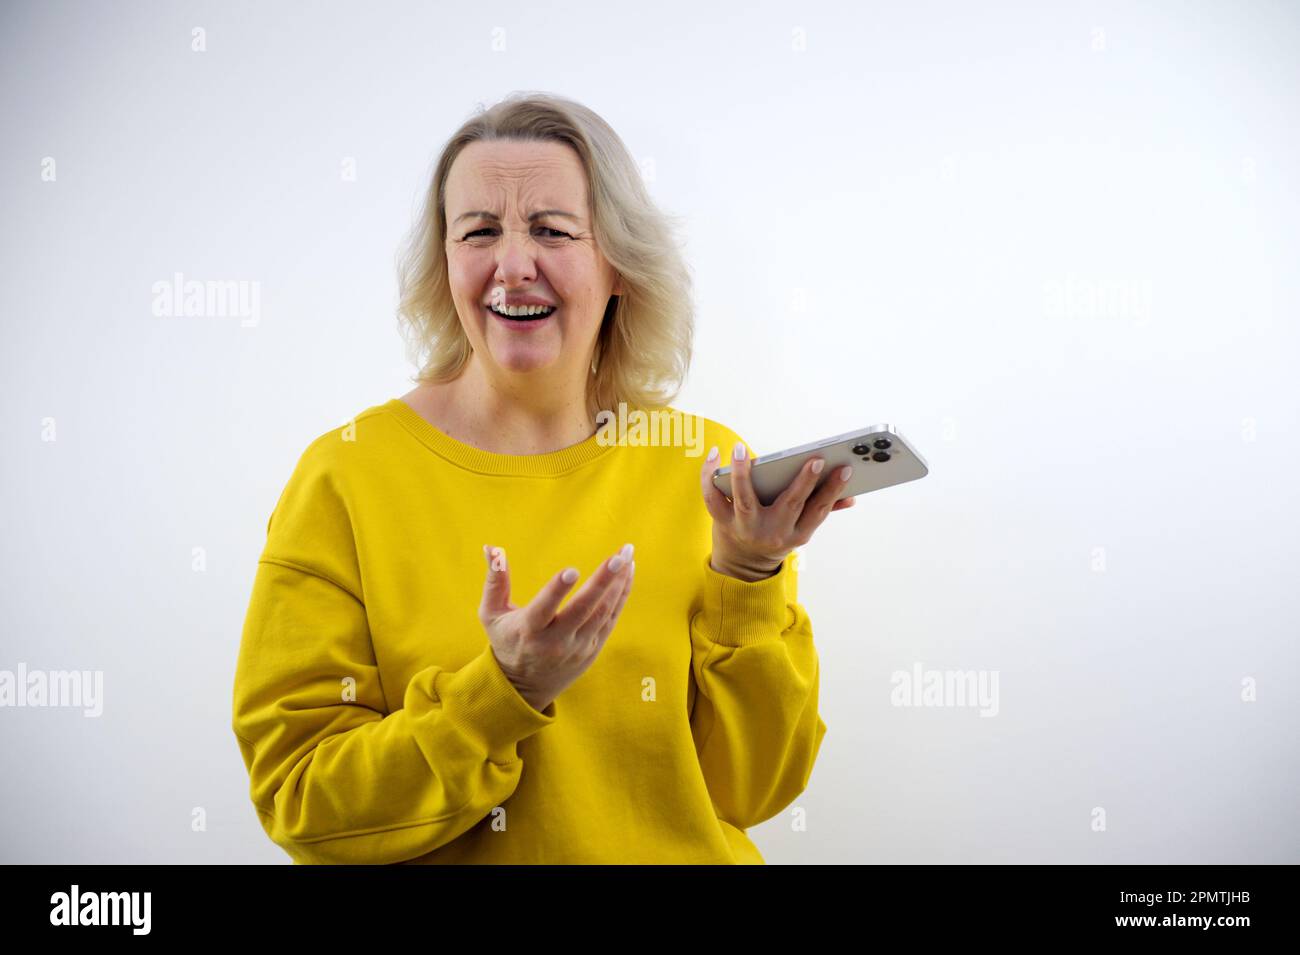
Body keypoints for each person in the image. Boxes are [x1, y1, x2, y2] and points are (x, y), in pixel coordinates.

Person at [231, 91, 855, 864]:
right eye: (480, 231)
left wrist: (750, 575)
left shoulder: (709, 471)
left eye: (553, 231)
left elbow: (752, 790)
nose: (513, 265)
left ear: (619, 265)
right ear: (446, 262)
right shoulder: (345, 476)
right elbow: (304, 802)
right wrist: (502, 693)